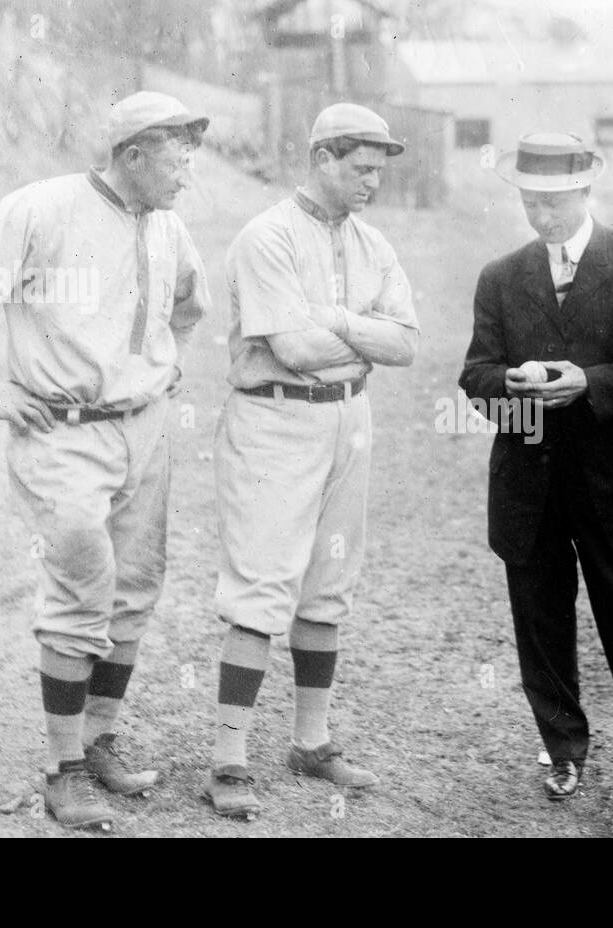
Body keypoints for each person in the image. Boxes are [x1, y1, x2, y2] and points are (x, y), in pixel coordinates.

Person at [0, 91, 211, 829]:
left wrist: (161, 360)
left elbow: (185, 305)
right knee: (82, 586)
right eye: (177, 154)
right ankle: (64, 770)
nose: (187, 170)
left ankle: (99, 739)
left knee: (136, 588)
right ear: (132, 154)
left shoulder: (170, 227)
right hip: (64, 429)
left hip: (143, 427)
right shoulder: (42, 209)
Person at [459, 132, 613, 825]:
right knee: (540, 623)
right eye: (531, 204)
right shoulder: (501, 276)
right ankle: (563, 748)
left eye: (555, 203)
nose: (542, 217)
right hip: (529, 483)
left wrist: (588, 384)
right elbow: (475, 374)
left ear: (585, 192)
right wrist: (507, 384)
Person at [204, 103, 419, 818]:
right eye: (360, 169)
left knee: (330, 584)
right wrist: (367, 336)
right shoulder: (265, 237)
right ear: (322, 158)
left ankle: (311, 741)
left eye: (378, 172)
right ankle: (229, 758)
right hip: (275, 416)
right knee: (263, 587)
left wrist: (340, 324)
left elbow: (407, 343)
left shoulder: (373, 244)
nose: (371, 184)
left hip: (349, 418)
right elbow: (291, 351)